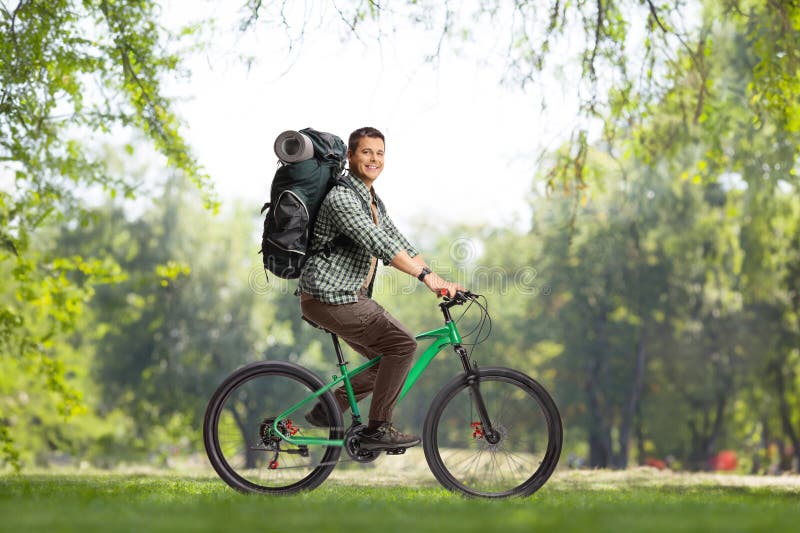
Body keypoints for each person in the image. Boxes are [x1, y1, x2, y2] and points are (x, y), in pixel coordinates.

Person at [298, 126, 464, 451]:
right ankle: (378, 428)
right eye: (366, 152)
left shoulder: (372, 200)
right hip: (329, 297)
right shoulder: (342, 197)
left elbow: (399, 242)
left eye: (380, 153)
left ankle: (329, 408)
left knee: (388, 363)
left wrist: (439, 280)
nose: (374, 159)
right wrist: (426, 278)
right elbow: (379, 244)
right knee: (402, 345)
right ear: (350, 156)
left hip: (345, 297)